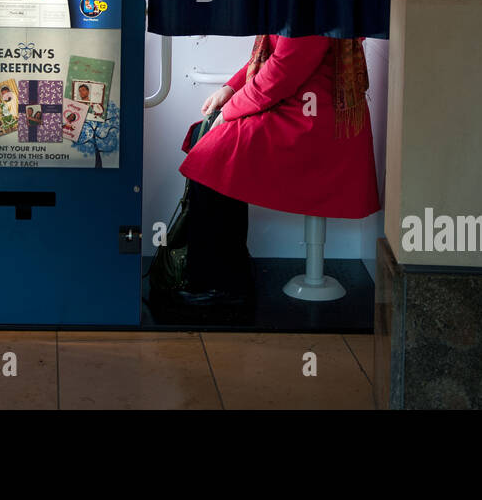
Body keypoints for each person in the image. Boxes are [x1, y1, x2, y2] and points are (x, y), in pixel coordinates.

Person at [152, 33, 379, 310]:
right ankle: (226, 273)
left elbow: (285, 68)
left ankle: (222, 286)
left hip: (315, 123)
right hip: (303, 107)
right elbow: (274, 59)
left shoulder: (306, 2)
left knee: (214, 156)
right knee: (213, 147)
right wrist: (230, 88)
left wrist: (231, 108)